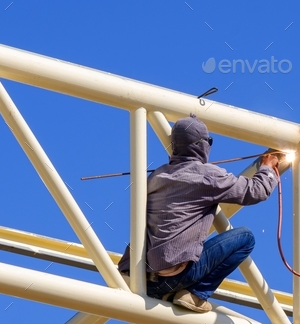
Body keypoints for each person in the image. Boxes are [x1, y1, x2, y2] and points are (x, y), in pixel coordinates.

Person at [118, 115, 280, 312]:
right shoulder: (208, 176)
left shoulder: (156, 176)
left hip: (143, 279)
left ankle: (174, 296)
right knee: (245, 237)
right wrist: (267, 169)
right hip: (177, 275)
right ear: (203, 144)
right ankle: (196, 294)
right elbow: (256, 191)